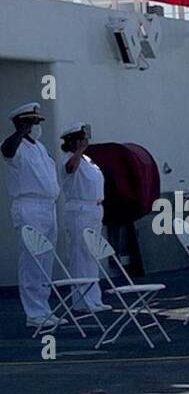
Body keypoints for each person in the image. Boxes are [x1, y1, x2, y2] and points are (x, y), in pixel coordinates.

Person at [2, 102, 61, 328]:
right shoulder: (14, 146)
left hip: (48, 207)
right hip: (29, 207)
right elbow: (6, 151)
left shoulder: (39, 147)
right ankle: (34, 313)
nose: (38, 126)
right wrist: (19, 133)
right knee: (32, 259)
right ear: (22, 123)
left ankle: (44, 308)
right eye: (34, 122)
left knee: (45, 260)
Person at [58, 123, 108, 314]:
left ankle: (94, 299)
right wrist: (78, 151)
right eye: (81, 138)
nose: (85, 141)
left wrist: (82, 153)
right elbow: (70, 169)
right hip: (79, 210)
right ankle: (81, 301)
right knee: (79, 257)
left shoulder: (87, 159)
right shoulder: (68, 158)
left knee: (91, 256)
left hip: (94, 209)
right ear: (72, 140)